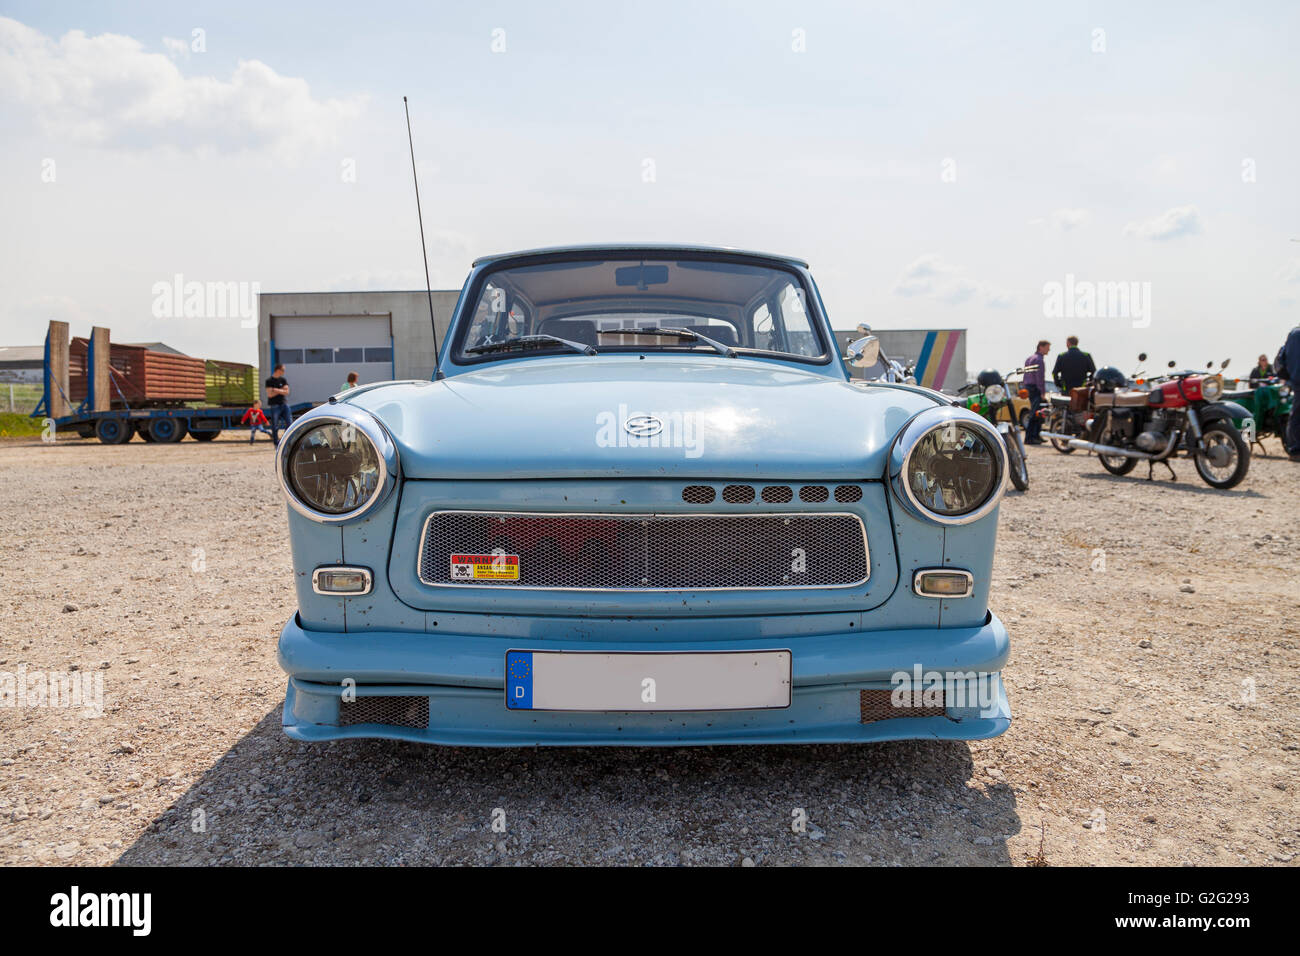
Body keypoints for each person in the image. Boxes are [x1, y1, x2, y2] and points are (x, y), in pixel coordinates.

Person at [1276, 326, 1300, 460]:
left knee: (1297, 414)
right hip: (1298, 379)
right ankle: (1295, 449)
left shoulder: (1294, 334)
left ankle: (1295, 449)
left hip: (1296, 379)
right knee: (1297, 415)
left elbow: (1285, 357)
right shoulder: (1296, 334)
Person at [1022, 339, 1050, 444]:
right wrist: (1042, 392)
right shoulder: (1039, 360)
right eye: (1047, 348)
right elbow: (1040, 378)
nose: (1049, 350)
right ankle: (1030, 437)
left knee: (1037, 412)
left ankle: (1036, 436)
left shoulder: (1029, 358)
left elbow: (1025, 375)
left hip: (1029, 387)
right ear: (1041, 347)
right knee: (1036, 413)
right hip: (1035, 388)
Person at [264, 363, 292, 444]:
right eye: (283, 370)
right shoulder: (269, 381)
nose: (284, 371)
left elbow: (287, 392)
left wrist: (275, 390)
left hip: (284, 404)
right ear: (278, 370)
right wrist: (281, 390)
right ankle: (276, 442)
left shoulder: (283, 380)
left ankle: (285, 440)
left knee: (289, 423)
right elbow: (270, 395)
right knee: (275, 425)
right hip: (274, 406)